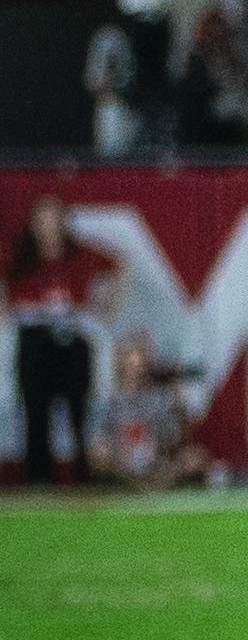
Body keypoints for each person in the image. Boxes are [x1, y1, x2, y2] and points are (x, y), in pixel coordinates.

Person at [7, 195, 119, 484]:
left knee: (80, 409)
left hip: (72, 337)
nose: (48, 227)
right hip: (34, 337)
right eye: (43, 221)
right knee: (36, 412)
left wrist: (107, 309)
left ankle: (86, 475)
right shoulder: (19, 257)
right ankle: (38, 480)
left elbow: (119, 265)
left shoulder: (79, 254)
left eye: (54, 220)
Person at [91, 330, 208, 489]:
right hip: (120, 465)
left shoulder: (157, 398)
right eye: (131, 356)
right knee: (99, 456)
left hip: (154, 466)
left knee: (194, 458)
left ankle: (147, 485)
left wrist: (177, 400)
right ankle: (135, 486)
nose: (137, 364)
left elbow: (173, 437)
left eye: (142, 357)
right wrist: (104, 447)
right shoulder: (107, 400)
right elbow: (97, 440)